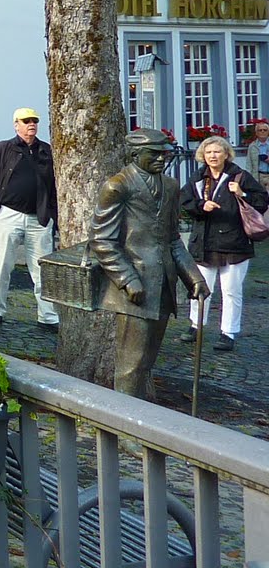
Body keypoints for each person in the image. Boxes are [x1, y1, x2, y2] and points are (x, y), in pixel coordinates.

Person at [89, 127, 207, 397]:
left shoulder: (170, 186)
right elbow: (101, 240)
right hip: (134, 289)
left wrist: (194, 277)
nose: (162, 158)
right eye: (154, 154)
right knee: (130, 364)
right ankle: (126, 429)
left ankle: (144, 416)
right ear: (134, 154)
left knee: (148, 361)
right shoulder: (117, 186)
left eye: (164, 153)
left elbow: (173, 239)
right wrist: (128, 279)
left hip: (163, 285)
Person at [179, 133, 266, 351]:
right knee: (199, 288)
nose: (212, 156)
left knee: (231, 290)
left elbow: (263, 201)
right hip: (204, 242)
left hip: (234, 243)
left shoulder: (239, 176)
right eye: (208, 152)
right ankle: (195, 325)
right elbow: (185, 200)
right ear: (202, 156)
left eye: (217, 151)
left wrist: (242, 193)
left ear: (226, 154)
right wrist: (201, 206)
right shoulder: (198, 177)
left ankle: (228, 332)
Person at [0, 107, 60, 327]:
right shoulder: (3, 149)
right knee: (3, 265)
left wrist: (51, 214)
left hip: (39, 218)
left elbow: (54, 185)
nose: (31, 124)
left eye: (34, 120)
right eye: (26, 121)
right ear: (16, 125)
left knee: (41, 269)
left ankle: (47, 316)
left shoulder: (46, 150)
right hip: (9, 214)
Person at [249, 120, 269, 185]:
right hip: (258, 176)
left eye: (265, 130)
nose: (262, 132)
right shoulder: (252, 146)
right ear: (256, 133)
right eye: (260, 130)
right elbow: (249, 164)